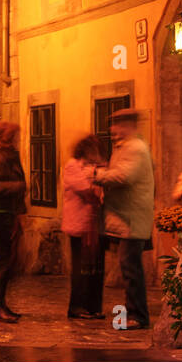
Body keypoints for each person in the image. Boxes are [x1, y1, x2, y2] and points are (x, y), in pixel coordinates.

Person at [93, 108, 154, 330]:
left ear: (128, 125)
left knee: (131, 269)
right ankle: (134, 312)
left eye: (116, 124)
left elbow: (124, 176)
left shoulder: (135, 148)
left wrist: (97, 176)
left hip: (131, 218)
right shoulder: (126, 147)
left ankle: (138, 315)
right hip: (126, 217)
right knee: (129, 267)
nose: (112, 129)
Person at [0, 121, 27, 323]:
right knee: (4, 258)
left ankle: (0, 304)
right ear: (7, 138)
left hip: (6, 210)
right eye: (15, 136)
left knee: (7, 258)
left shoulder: (6, 156)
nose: (19, 139)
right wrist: (18, 186)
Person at [62, 135, 105, 319]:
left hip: (95, 225)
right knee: (80, 267)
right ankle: (77, 306)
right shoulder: (72, 165)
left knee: (96, 267)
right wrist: (96, 187)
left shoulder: (95, 168)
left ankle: (94, 306)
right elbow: (86, 189)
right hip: (79, 224)